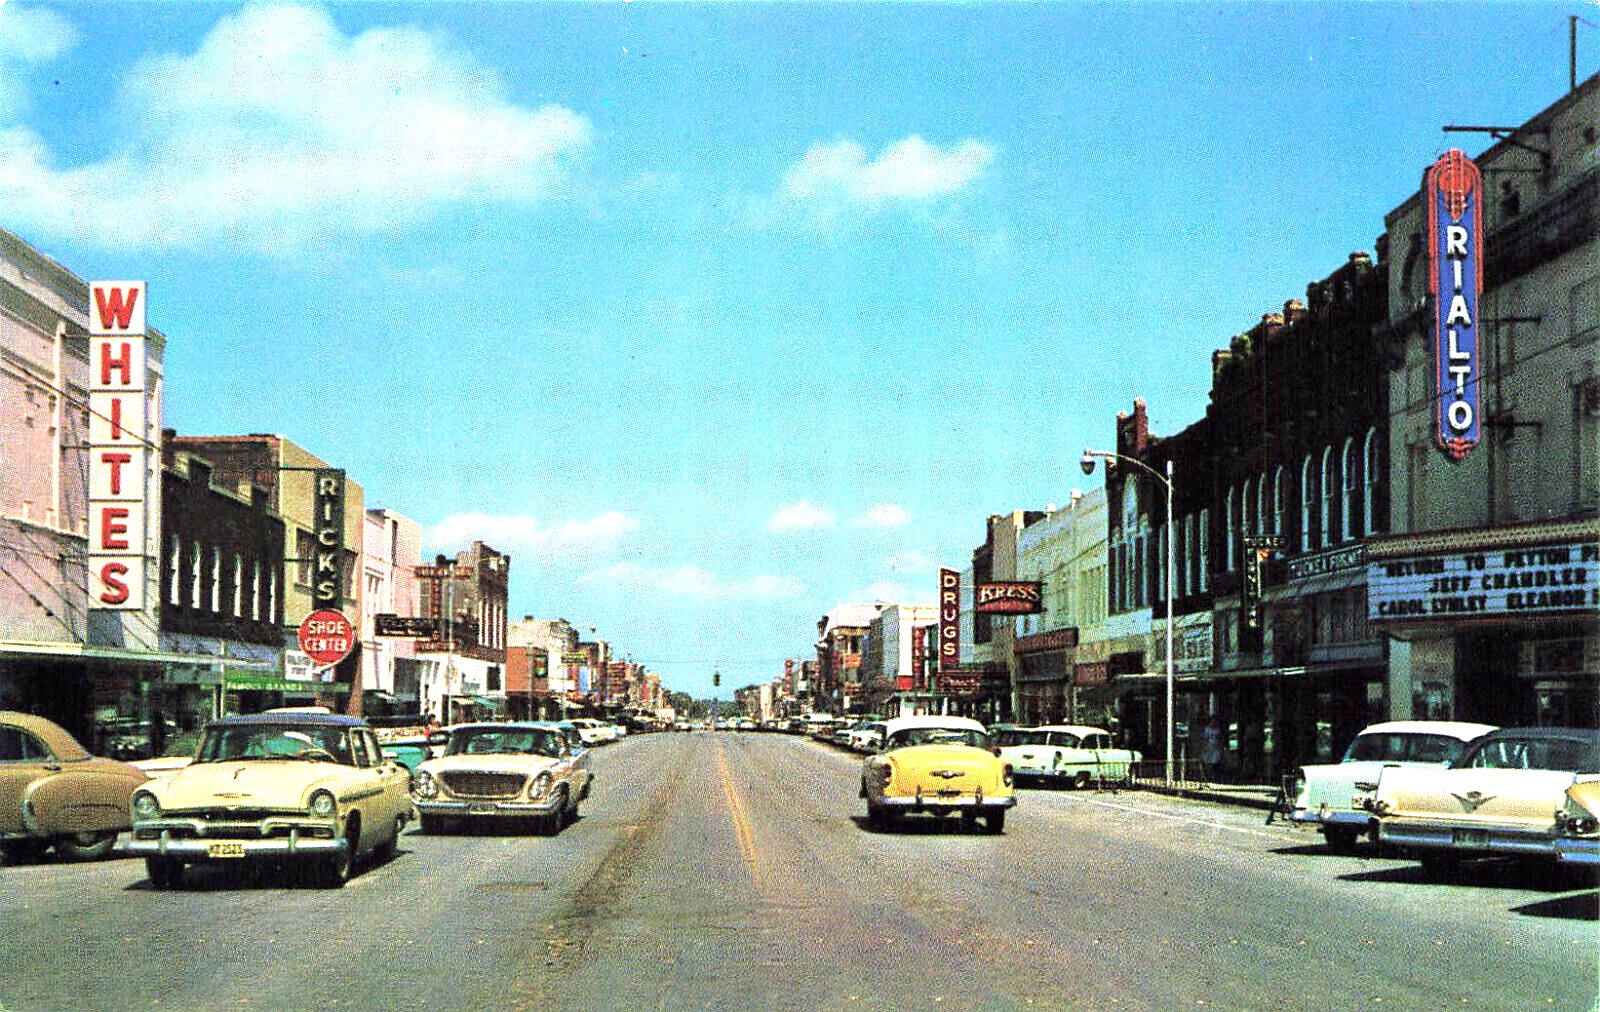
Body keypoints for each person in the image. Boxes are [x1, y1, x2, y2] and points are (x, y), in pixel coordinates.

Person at [1200, 716, 1224, 783]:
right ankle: (1208, 777)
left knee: (1216, 761)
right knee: (1208, 762)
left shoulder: (1218, 729)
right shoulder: (1207, 729)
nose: (1214, 722)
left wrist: (1221, 745)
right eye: (1213, 720)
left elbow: (1220, 738)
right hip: (1209, 747)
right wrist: (1204, 746)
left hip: (1216, 748)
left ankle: (1214, 777)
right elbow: (1204, 739)